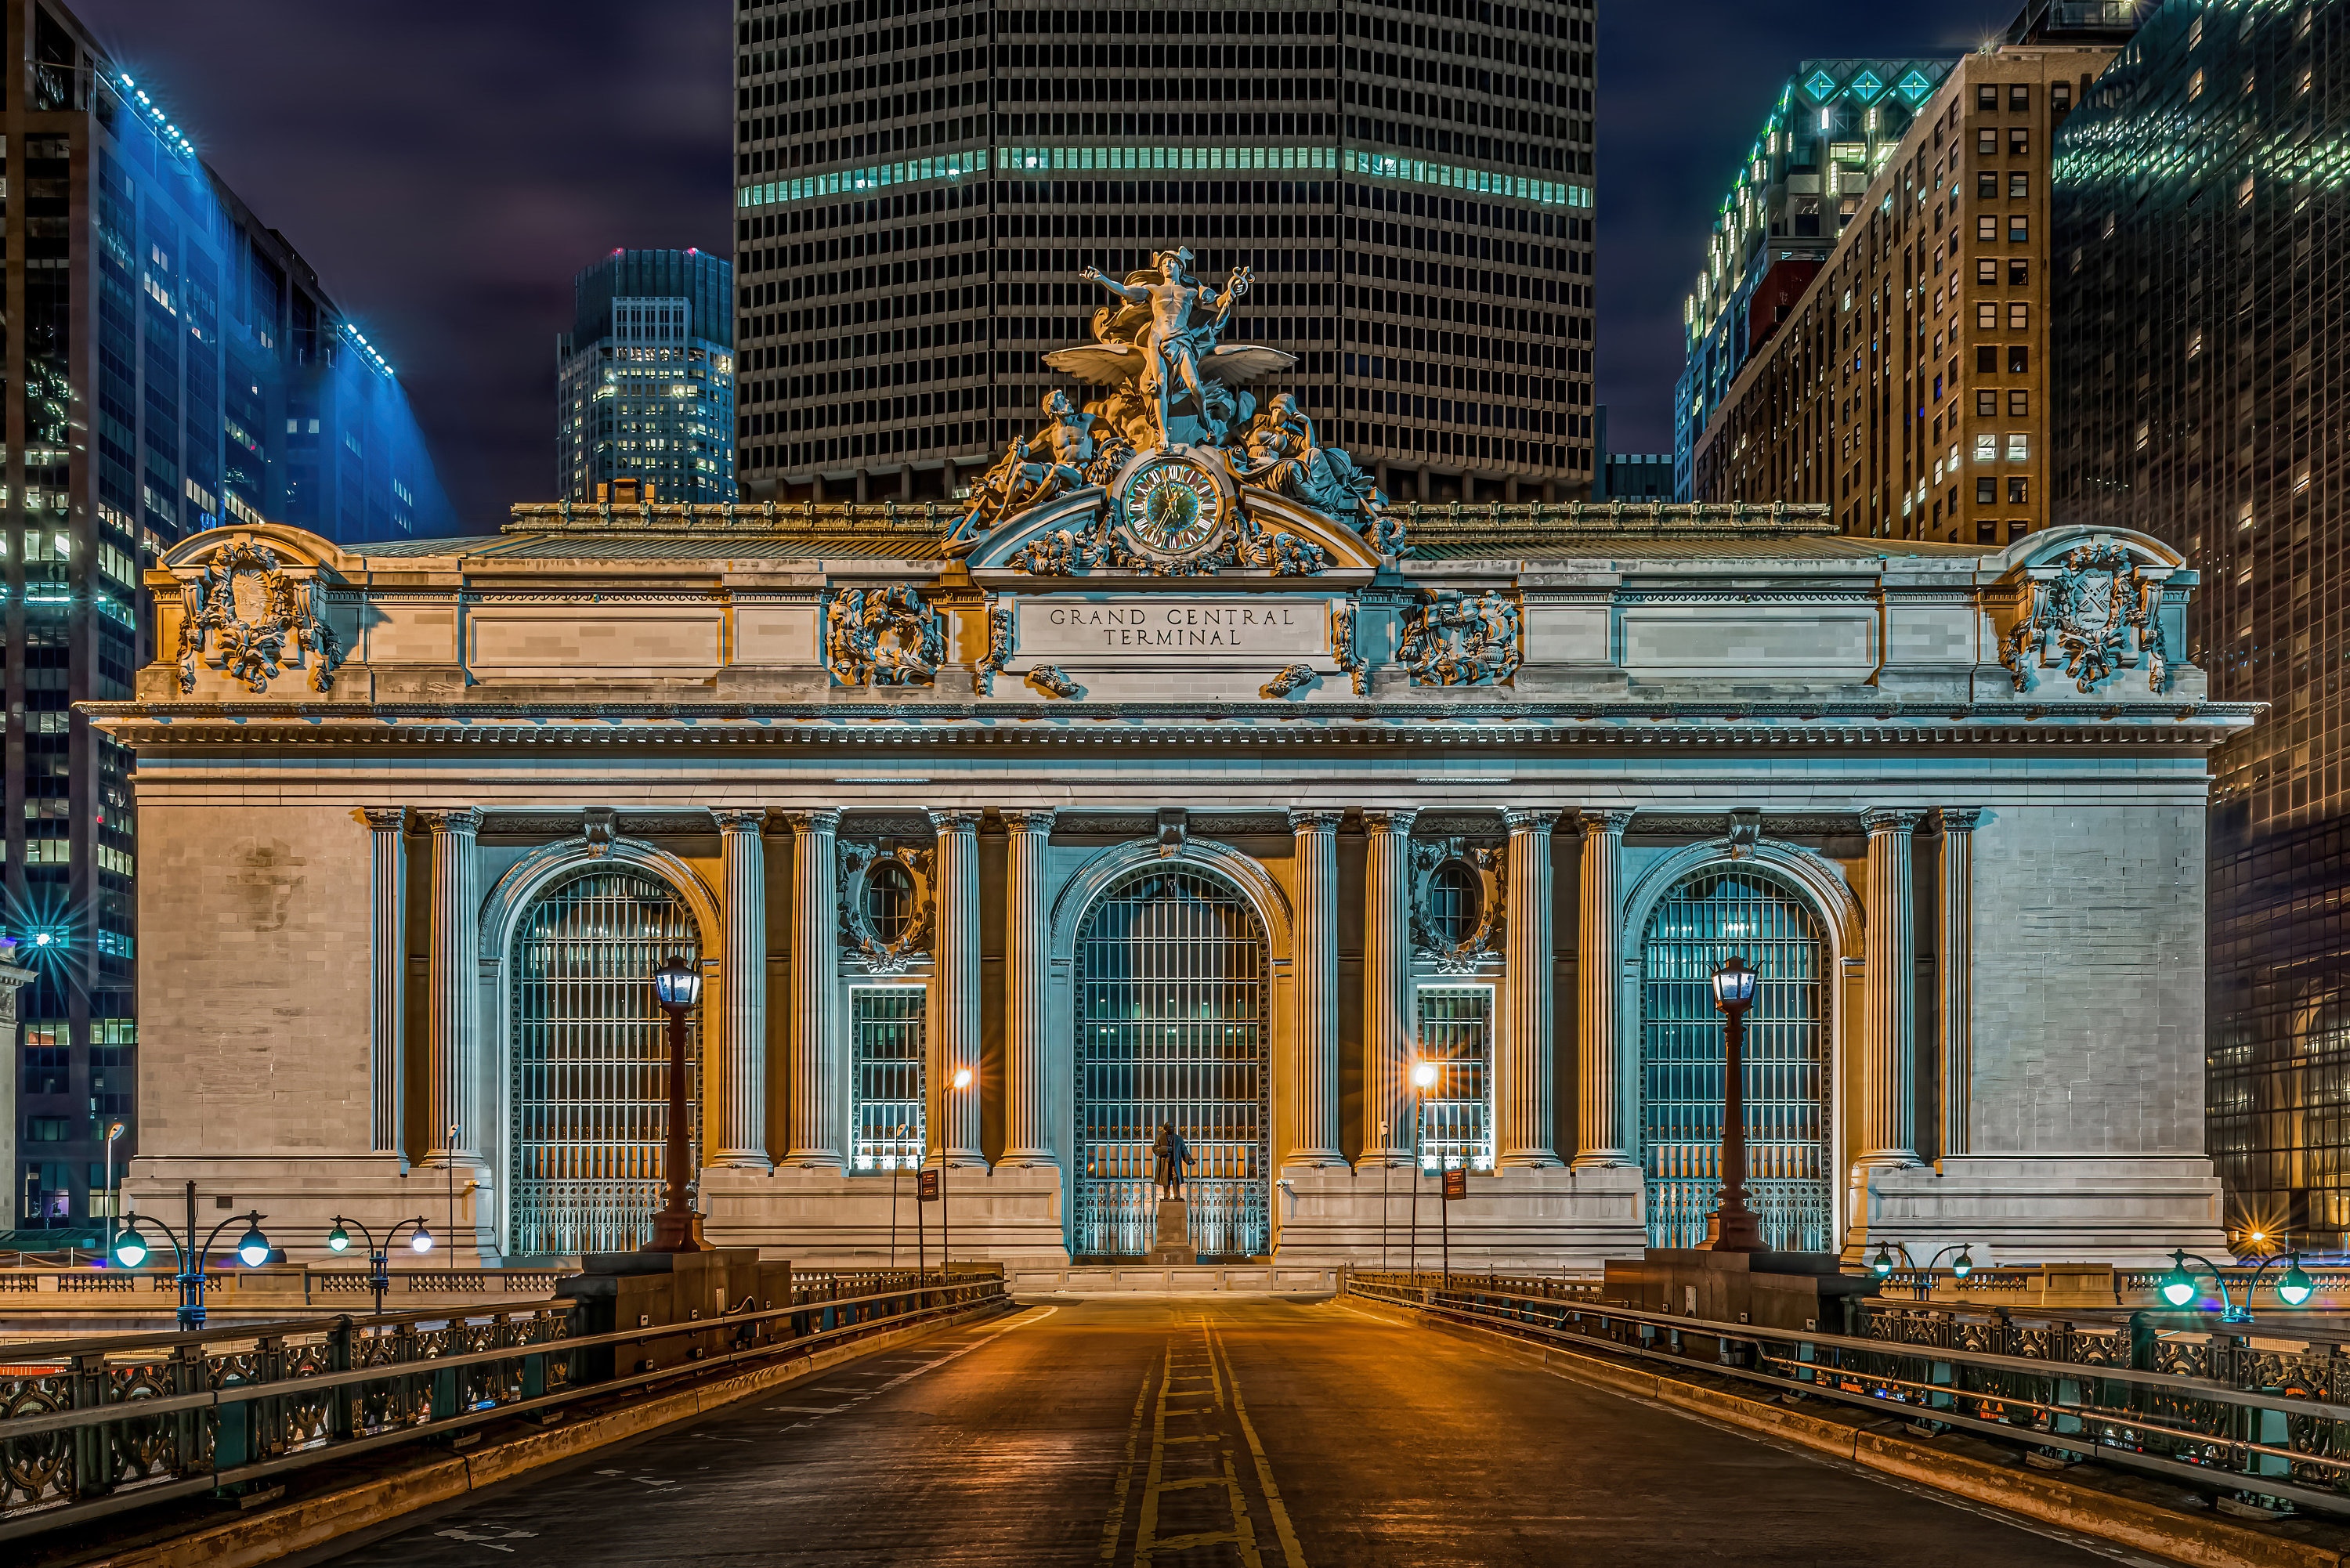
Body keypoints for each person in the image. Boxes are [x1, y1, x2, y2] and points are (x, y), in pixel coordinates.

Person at [1079, 248, 1251, 445]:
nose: (1167, 266)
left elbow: (1217, 303)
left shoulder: (1192, 291)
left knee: (1195, 386)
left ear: (1180, 267)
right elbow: (1125, 290)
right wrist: (1102, 279)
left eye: (1171, 262)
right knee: (1159, 384)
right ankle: (1163, 435)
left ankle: (1205, 424)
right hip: (1157, 338)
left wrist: (1232, 291)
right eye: (1163, 264)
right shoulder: (1153, 289)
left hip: (1181, 338)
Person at [1150, 1121, 1196, 1201]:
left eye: (1172, 1127)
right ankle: (1166, 1196)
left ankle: (1177, 1195)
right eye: (1170, 1127)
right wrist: (1167, 1149)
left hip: (1175, 1162)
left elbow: (1184, 1150)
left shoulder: (1179, 1139)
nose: (1171, 1129)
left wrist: (1189, 1160)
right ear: (1166, 1129)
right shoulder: (1160, 1138)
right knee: (1166, 1180)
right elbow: (1155, 1149)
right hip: (1165, 1163)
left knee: (1176, 1179)